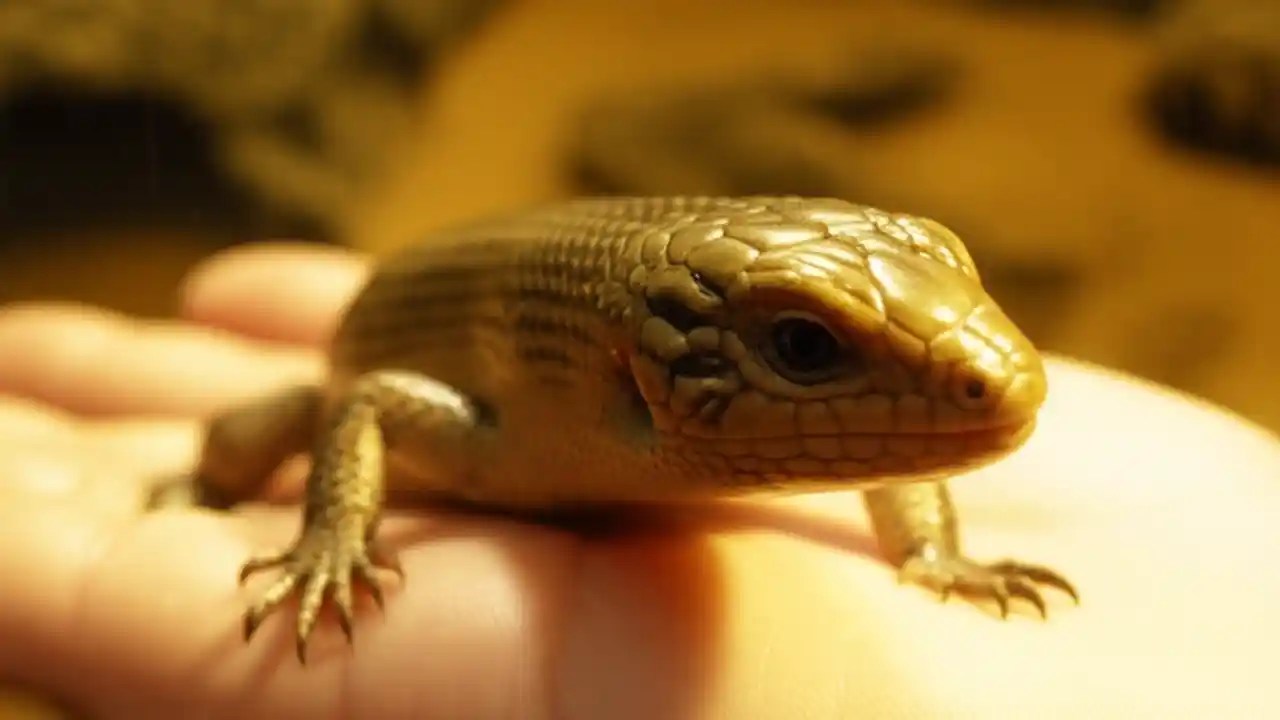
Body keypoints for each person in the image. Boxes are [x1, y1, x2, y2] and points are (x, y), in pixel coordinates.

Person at [0, 243, 1275, 719]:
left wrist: (929, 558)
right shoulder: (507, 426)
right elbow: (379, 400)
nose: (1004, 381)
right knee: (265, 419)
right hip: (402, 352)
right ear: (638, 365)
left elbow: (908, 441)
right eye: (802, 350)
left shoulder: (782, 414)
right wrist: (335, 536)